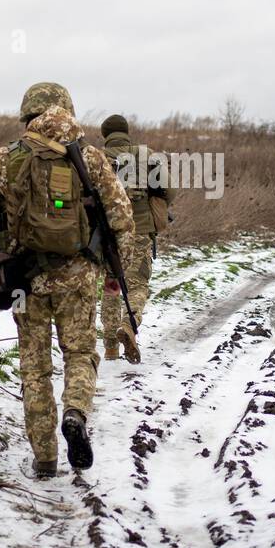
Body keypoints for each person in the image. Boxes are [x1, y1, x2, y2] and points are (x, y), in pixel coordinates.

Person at [0, 83, 135, 478]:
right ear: (68, 111)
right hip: (78, 278)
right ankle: (75, 412)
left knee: (34, 367)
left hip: (25, 282)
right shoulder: (91, 159)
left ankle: (45, 457)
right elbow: (122, 219)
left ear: (27, 114)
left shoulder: (2, 159)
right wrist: (114, 273)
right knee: (79, 353)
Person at [97, 114, 176, 362]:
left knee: (111, 285)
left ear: (105, 135)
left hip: (106, 232)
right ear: (127, 132)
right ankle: (128, 325)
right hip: (139, 230)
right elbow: (169, 191)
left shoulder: (94, 157)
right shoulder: (147, 155)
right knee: (138, 284)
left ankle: (110, 346)